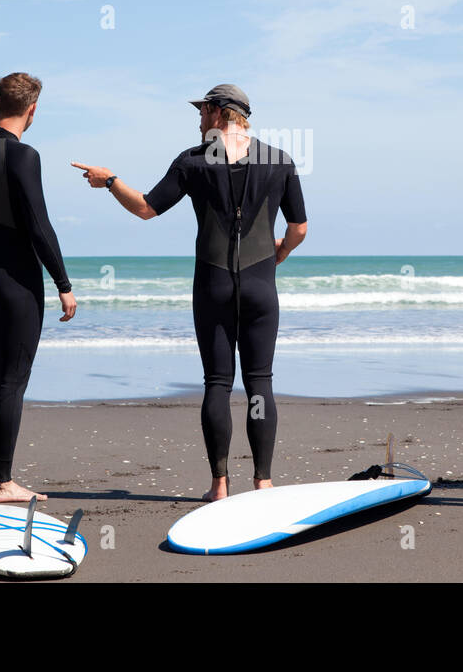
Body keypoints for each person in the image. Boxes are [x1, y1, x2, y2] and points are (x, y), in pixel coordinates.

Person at [72, 84, 307, 501]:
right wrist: (280, 254)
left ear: (220, 112)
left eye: (202, 112)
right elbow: (299, 228)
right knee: (260, 383)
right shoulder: (280, 160)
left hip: (213, 283)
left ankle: (219, 487)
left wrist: (110, 181)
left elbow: (146, 207)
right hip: (260, 285)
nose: (198, 121)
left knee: (217, 382)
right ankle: (264, 483)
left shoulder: (194, 161)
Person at [0, 73, 77, 503]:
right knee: (12, 381)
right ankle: (2, 482)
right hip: (19, 282)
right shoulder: (24, 156)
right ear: (33, 109)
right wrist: (63, 283)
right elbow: (38, 224)